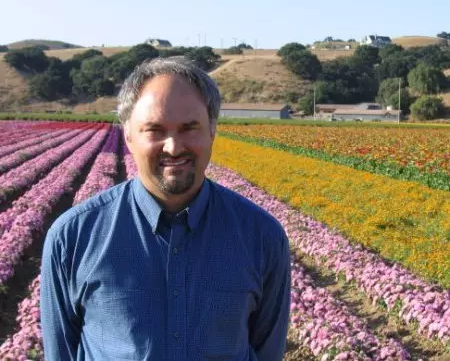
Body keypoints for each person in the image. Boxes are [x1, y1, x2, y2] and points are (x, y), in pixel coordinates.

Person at [40, 57, 291, 361]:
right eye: (155, 129)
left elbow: (267, 350)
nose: (173, 147)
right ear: (128, 134)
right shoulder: (73, 237)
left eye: (189, 127)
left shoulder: (262, 236)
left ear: (212, 129)